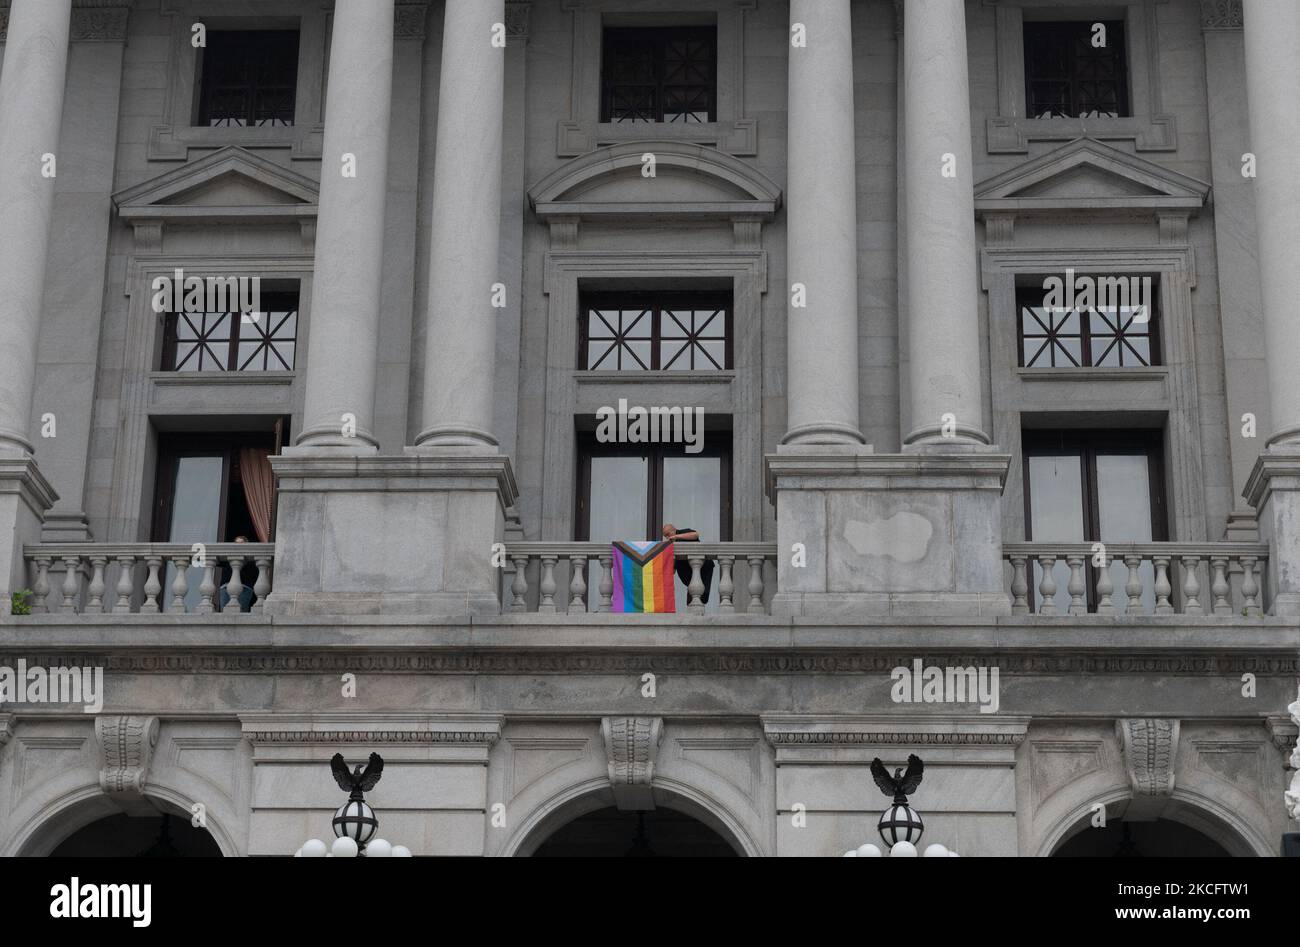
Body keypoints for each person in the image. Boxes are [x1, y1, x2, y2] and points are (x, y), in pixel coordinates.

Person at [662, 523, 714, 605]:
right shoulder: (672, 546)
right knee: (691, 600)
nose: (667, 538)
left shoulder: (683, 532)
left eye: (668, 534)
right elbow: (673, 570)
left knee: (703, 596)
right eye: (665, 536)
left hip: (703, 568)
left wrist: (676, 537)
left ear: (674, 530)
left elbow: (695, 535)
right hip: (691, 574)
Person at [218, 535, 257, 612]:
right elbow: (217, 562)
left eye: (241, 543)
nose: (238, 545)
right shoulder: (228, 556)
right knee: (224, 613)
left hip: (244, 588)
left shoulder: (251, 559)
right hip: (225, 587)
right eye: (236, 543)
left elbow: (254, 575)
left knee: (240, 612)